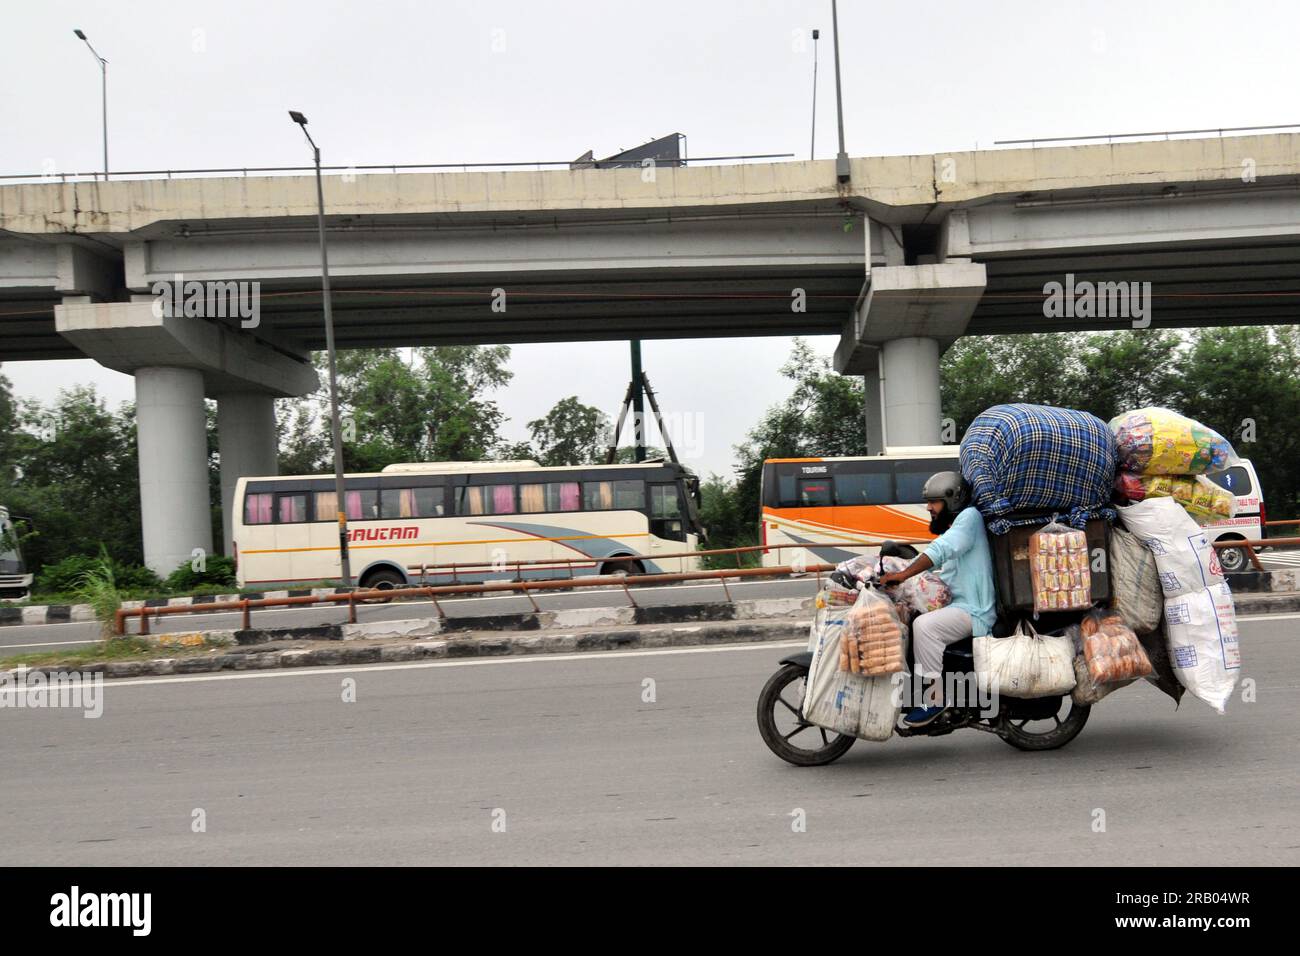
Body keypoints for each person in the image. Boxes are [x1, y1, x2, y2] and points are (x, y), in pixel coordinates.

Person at [878, 471, 995, 727]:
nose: (929, 507)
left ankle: (934, 698)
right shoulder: (959, 526)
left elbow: (942, 550)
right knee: (910, 615)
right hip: (957, 604)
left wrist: (904, 573)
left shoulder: (969, 518)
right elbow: (937, 561)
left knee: (925, 627)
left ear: (952, 499)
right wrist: (900, 569)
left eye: (934, 501)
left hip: (973, 609)